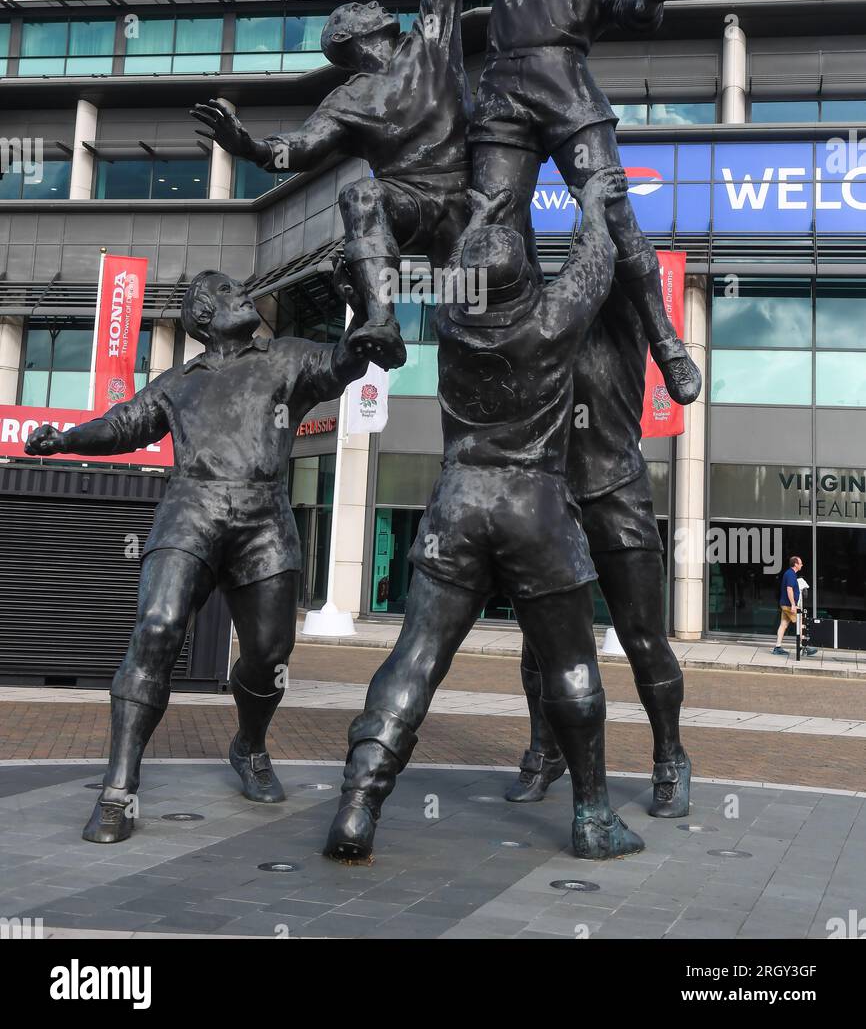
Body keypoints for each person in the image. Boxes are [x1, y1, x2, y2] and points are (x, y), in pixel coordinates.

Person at [324, 166, 648, 865]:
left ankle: (357, 805)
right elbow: (597, 259)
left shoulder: (451, 319)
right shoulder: (553, 320)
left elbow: (460, 278)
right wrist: (591, 202)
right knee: (571, 664)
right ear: (528, 278)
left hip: (457, 503)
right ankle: (593, 816)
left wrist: (475, 222)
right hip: (536, 508)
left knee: (414, 657)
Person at [26, 269, 369, 844]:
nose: (247, 298)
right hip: (191, 507)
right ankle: (119, 789)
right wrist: (66, 437)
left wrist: (363, 319)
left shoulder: (284, 357)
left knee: (268, 652)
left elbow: (342, 365)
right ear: (204, 315)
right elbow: (123, 425)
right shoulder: (177, 383)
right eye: (233, 292)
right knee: (157, 627)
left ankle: (249, 746)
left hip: (265, 516)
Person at [191, 0, 470, 373]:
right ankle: (382, 322)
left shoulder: (431, 42)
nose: (372, 2)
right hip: (411, 206)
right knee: (361, 197)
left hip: (469, 194)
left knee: (472, 309)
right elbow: (295, 149)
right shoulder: (347, 100)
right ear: (354, 36)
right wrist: (245, 146)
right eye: (361, 6)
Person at [469, 0, 700, 406]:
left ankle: (664, 339)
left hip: (565, 90)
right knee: (488, 221)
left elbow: (630, 3)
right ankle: (496, 348)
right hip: (499, 96)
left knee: (616, 214)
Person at [505, 279, 690, 818]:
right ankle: (547, 751)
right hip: (555, 499)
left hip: (618, 493)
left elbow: (627, 242)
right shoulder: (541, 315)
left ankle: (670, 757)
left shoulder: (621, 308)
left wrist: (592, 199)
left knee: (643, 639)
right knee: (539, 645)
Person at [773, 555, 816, 657]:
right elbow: (789, 589)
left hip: (785, 604)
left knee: (783, 624)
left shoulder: (789, 573)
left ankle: (777, 647)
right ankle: (805, 647)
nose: (802, 564)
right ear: (795, 564)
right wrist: (793, 604)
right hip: (789, 605)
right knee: (801, 624)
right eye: (800, 563)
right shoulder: (791, 574)